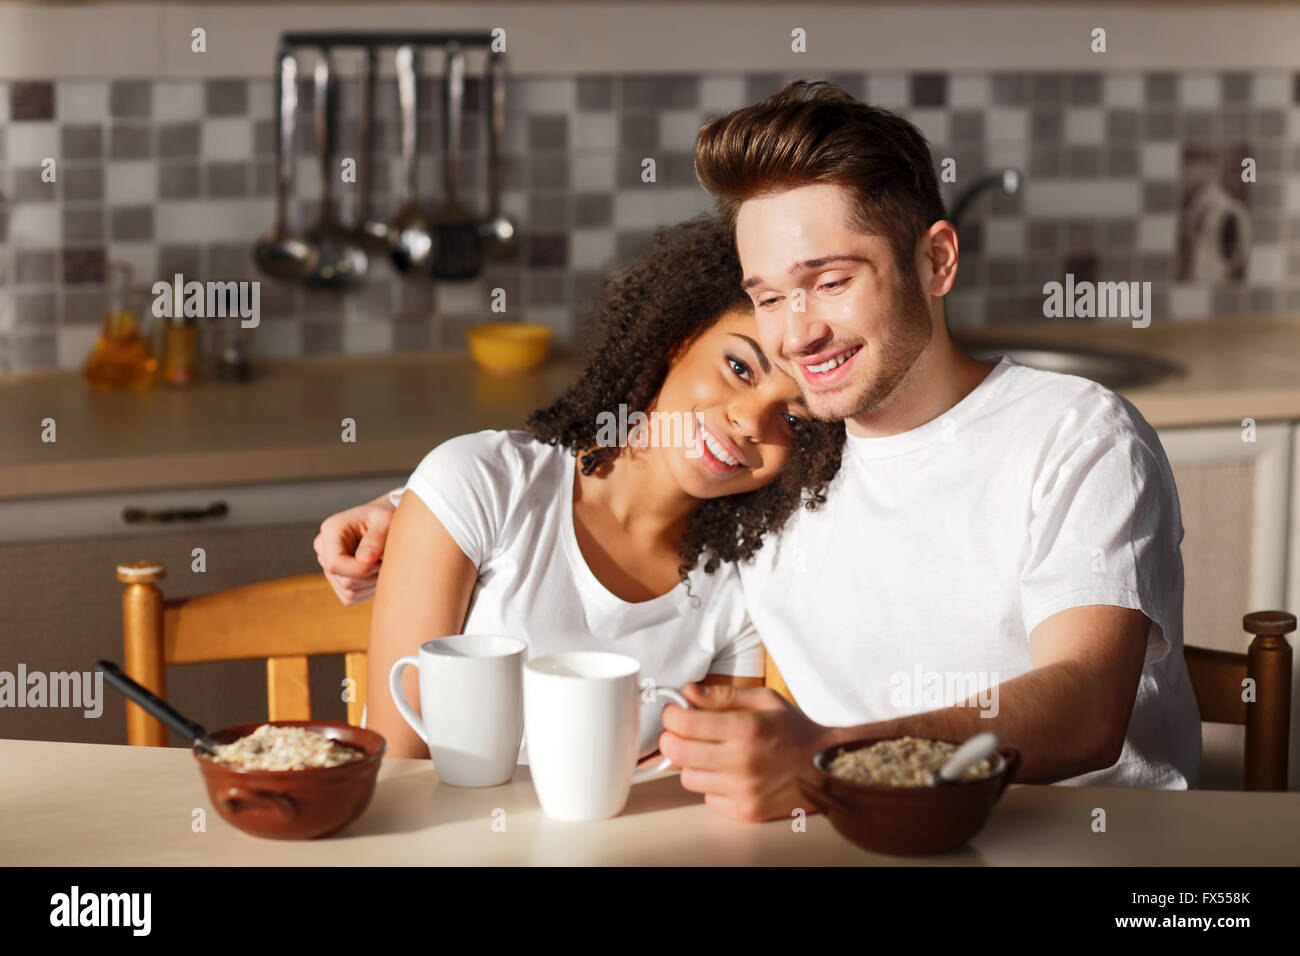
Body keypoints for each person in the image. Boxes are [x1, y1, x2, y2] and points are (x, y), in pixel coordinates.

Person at [319, 82, 1202, 819]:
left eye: (831, 280)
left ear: (935, 261)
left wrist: (829, 755)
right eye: (769, 296)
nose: (800, 332)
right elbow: (614, 492)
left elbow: (1088, 706)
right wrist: (418, 512)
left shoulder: (1078, 437)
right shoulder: (791, 478)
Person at [357, 215, 844, 761]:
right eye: (739, 367)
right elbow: (398, 769)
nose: (752, 421)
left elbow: (703, 787)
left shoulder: (740, 587)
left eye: (796, 421)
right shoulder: (483, 484)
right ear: (677, 340)